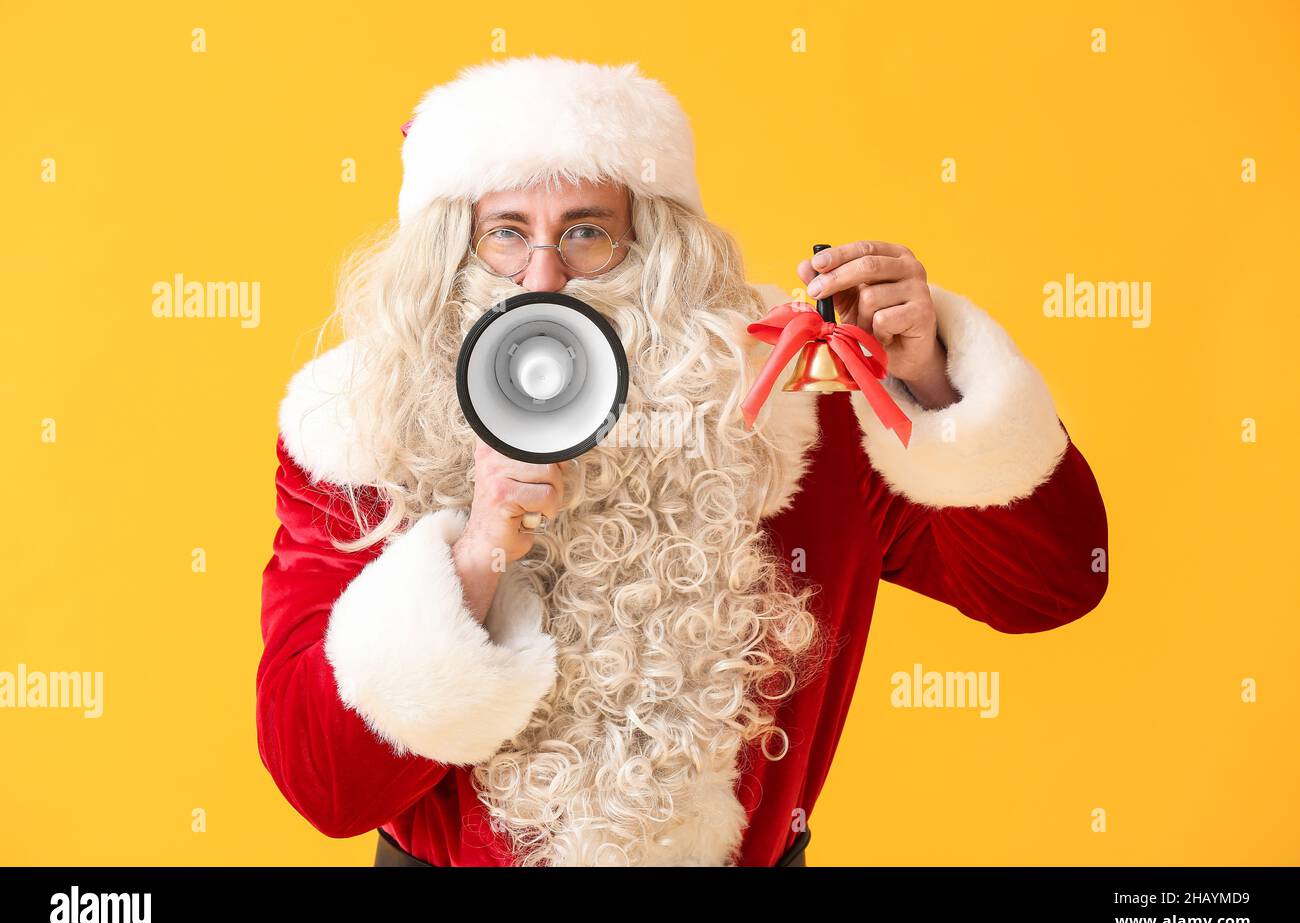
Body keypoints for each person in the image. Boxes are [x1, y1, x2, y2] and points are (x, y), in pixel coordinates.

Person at [257, 55, 1108, 867]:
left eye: (589, 232)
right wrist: (473, 564)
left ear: (656, 247)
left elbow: (1049, 586)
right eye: (505, 234)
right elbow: (326, 788)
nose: (544, 279)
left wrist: (926, 375)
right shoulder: (365, 433)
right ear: (449, 252)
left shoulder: (790, 412)